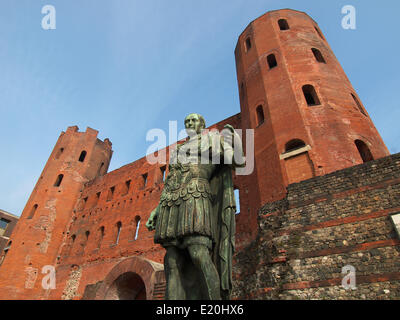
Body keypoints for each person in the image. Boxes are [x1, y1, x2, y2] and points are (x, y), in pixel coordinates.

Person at [146, 113, 245, 300]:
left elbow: (237, 161)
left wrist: (235, 140)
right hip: (171, 201)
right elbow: (171, 181)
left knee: (198, 253)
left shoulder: (212, 140)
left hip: (196, 195)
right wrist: (157, 210)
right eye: (187, 121)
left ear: (202, 124)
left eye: (193, 120)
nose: (190, 123)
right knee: (172, 260)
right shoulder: (179, 149)